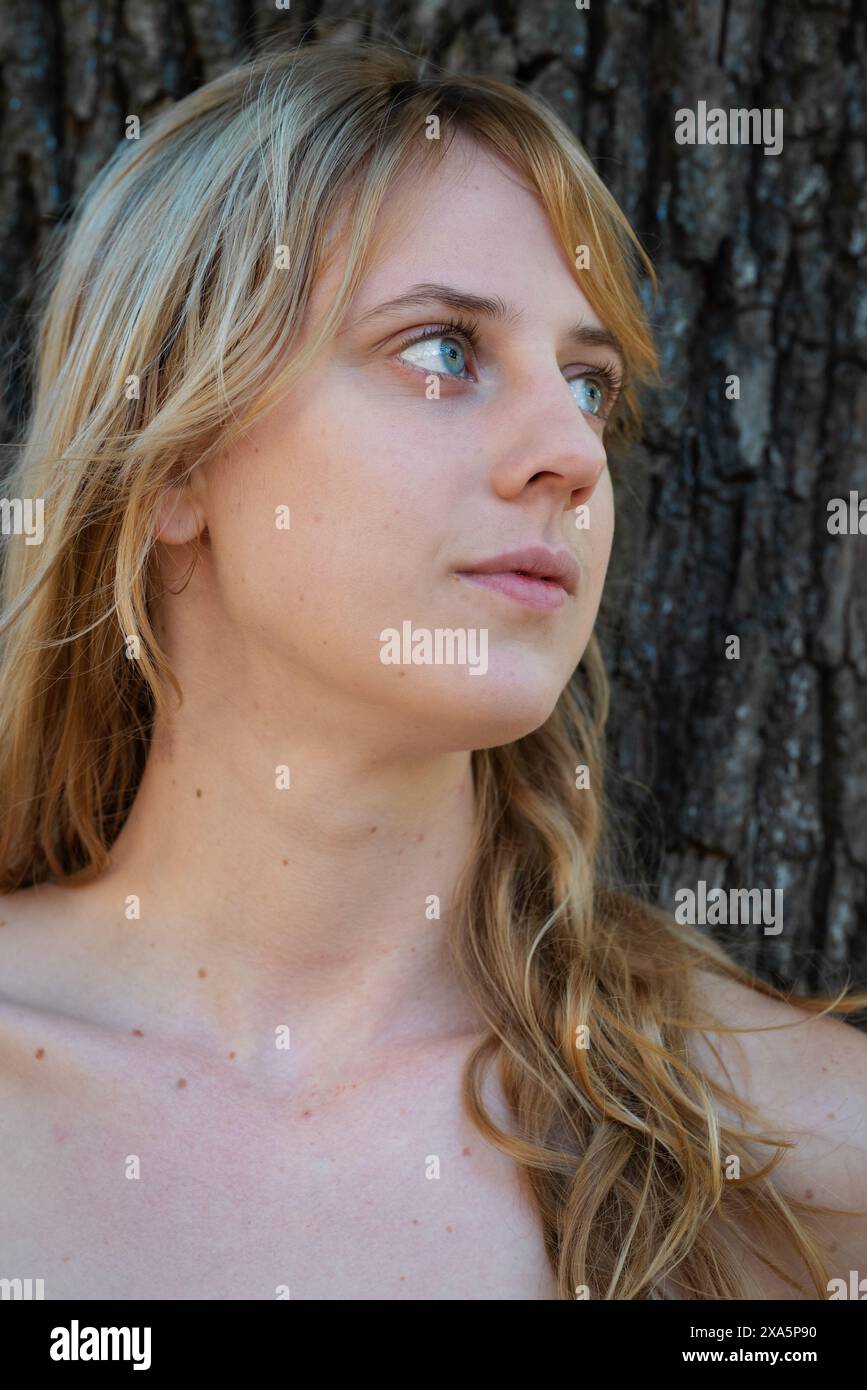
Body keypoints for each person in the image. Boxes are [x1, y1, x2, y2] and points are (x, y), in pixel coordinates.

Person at [0, 37, 864, 1302]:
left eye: (589, 385)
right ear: (172, 458)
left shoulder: (789, 1164)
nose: (571, 451)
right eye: (445, 350)